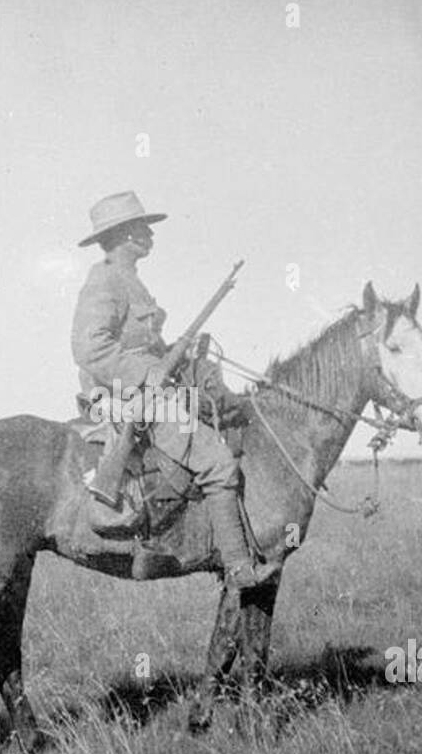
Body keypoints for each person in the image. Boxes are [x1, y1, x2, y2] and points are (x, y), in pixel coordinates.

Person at [70, 191, 274, 588]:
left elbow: (138, 344)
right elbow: (88, 346)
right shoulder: (105, 280)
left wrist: (175, 355)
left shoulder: (129, 280)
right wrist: (148, 373)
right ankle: (238, 567)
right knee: (216, 461)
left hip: (141, 386)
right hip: (121, 395)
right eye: (141, 227)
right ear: (123, 235)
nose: (149, 234)